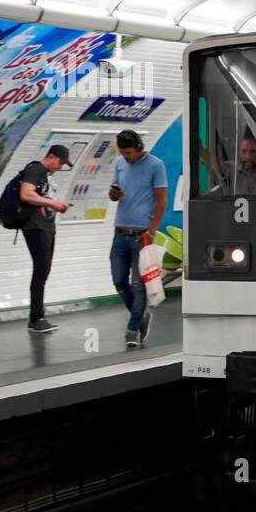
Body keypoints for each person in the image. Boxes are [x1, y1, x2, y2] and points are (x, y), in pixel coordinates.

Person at [108, 129, 167, 348]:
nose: (126, 157)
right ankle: (141, 317)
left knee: (138, 285)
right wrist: (113, 194)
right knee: (118, 280)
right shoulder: (120, 163)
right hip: (120, 231)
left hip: (141, 234)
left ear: (139, 148)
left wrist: (152, 230)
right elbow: (113, 193)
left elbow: (162, 201)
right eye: (123, 153)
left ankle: (132, 330)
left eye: (129, 153)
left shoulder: (156, 165)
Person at [19, 146, 71, 334]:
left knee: (44, 270)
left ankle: (38, 316)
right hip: (36, 227)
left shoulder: (46, 174)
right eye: (60, 162)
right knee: (41, 270)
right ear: (50, 156)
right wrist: (52, 203)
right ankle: (36, 318)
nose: (60, 166)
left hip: (46, 226)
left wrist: (56, 205)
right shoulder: (35, 169)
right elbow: (25, 194)